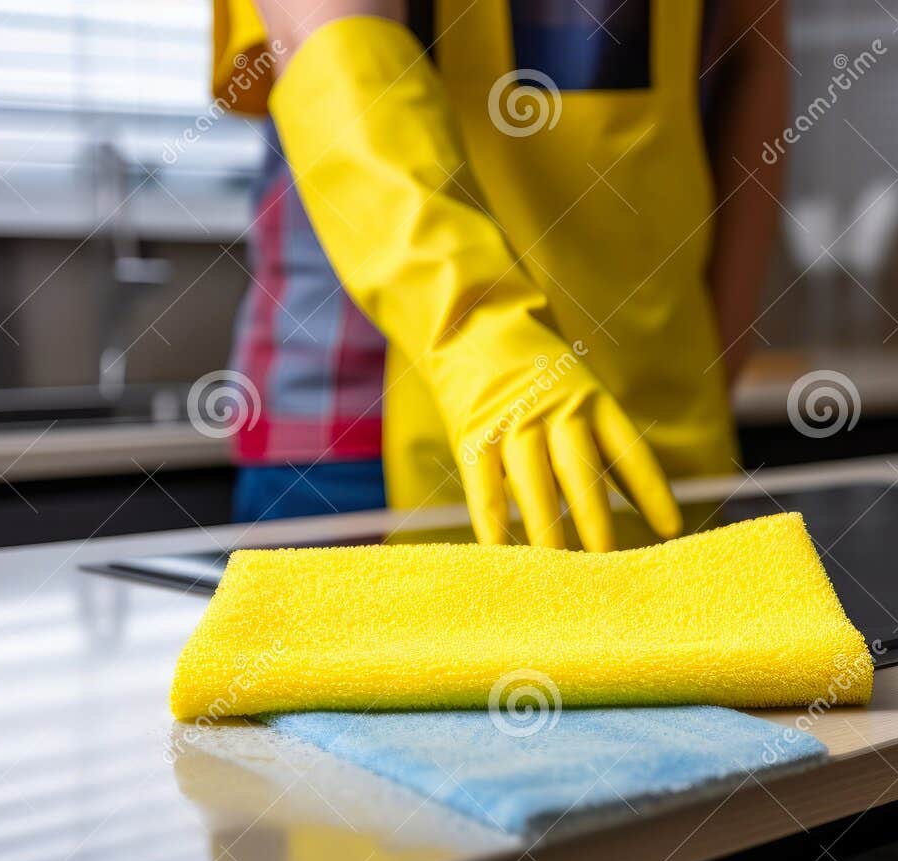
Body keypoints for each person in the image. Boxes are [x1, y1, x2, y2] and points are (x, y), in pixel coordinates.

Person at [215, 0, 785, 549]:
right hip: (358, 425)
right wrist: (475, 335)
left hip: (654, 414)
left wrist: (713, 358)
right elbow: (333, 43)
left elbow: (750, 54)